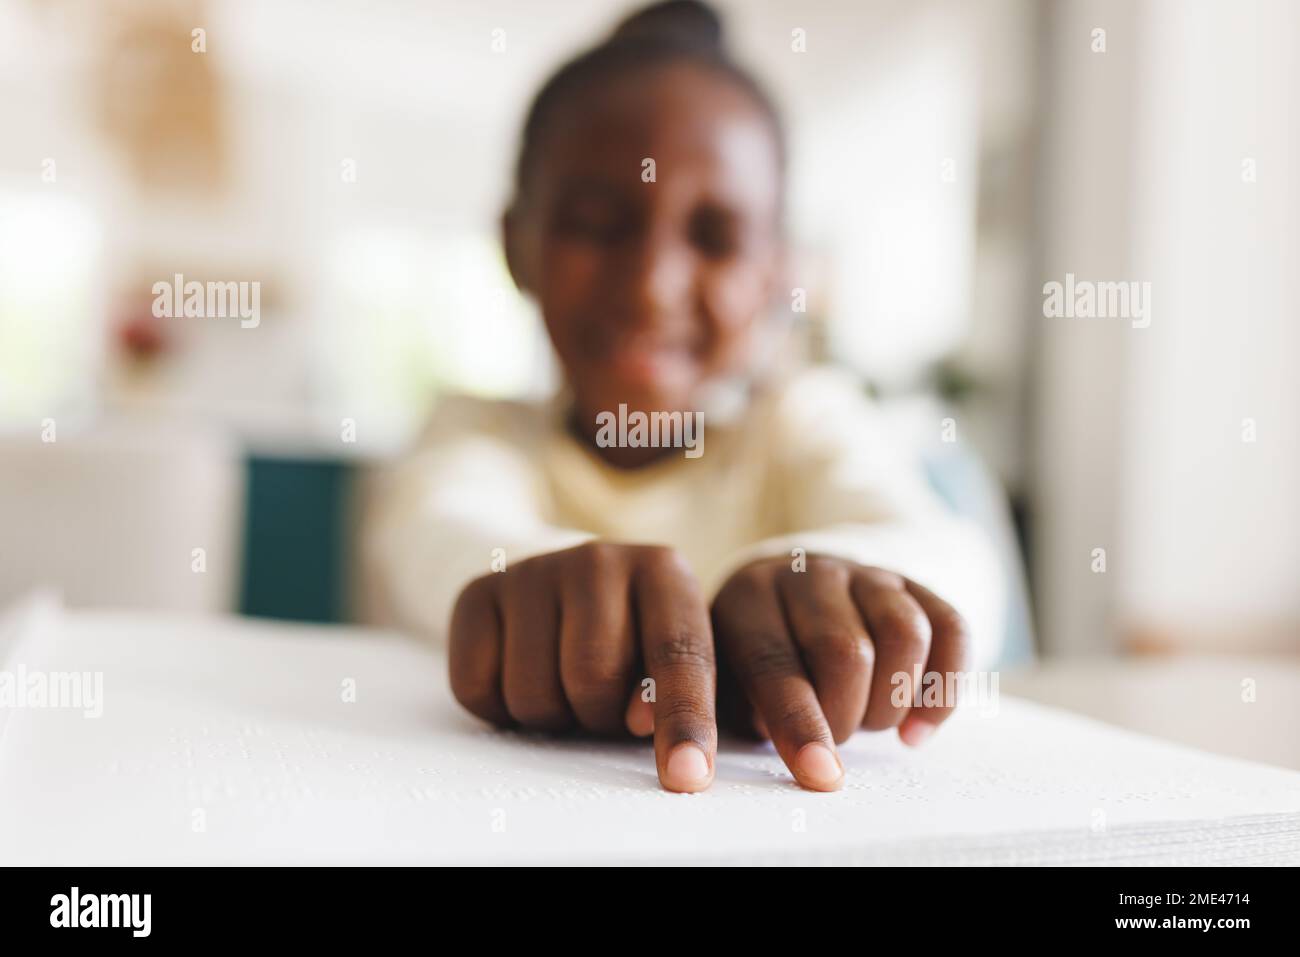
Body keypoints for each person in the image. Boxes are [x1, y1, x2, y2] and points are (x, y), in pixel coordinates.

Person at [368, 0, 1004, 794]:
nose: (650, 285)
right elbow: (430, 534)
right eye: (598, 222)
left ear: (778, 276)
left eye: (716, 237)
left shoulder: (802, 420)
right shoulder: (477, 433)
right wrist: (533, 582)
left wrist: (839, 579)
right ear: (516, 244)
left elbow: (957, 558)